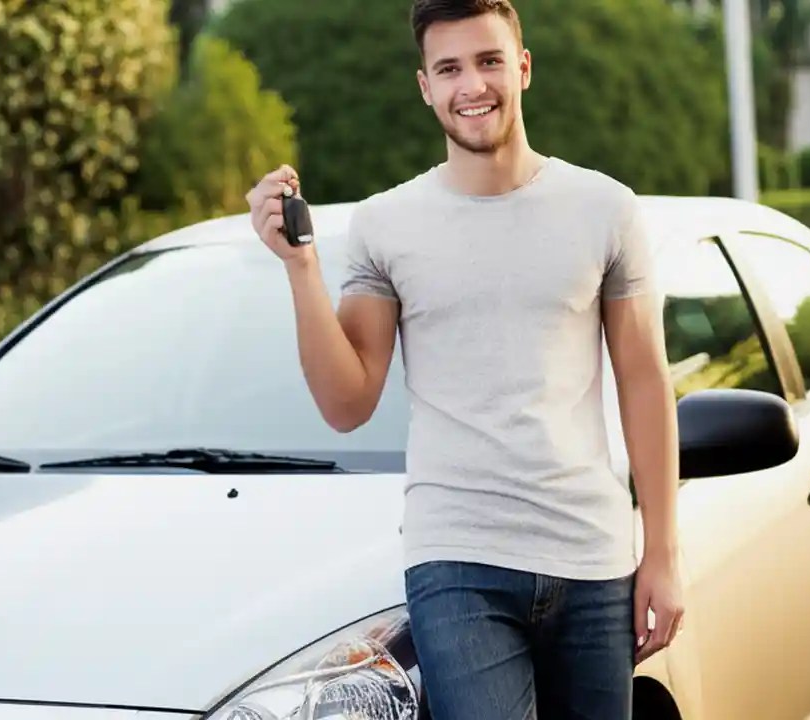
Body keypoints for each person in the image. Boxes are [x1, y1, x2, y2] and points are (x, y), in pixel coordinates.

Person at [244, 0, 682, 717]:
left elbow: (644, 381)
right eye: (449, 68)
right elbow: (347, 403)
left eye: (488, 61)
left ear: (523, 68)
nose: (470, 85)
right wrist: (300, 268)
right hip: (459, 558)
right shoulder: (386, 224)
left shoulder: (605, 209)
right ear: (425, 86)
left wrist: (663, 551)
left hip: (592, 555)